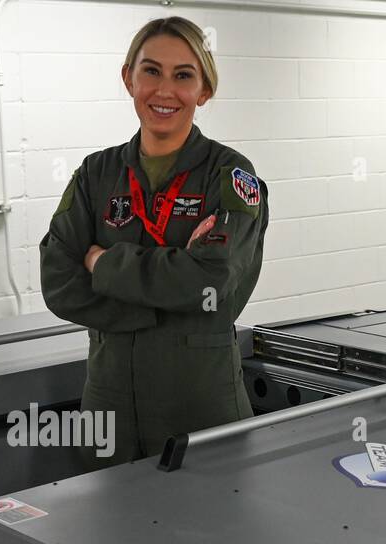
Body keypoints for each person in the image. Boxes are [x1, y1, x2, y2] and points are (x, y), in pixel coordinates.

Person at [40, 16, 269, 468]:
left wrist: (102, 265)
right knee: (103, 534)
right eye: (151, 71)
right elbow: (58, 281)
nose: (164, 90)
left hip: (201, 406)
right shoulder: (95, 175)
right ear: (129, 78)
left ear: (204, 90)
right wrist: (167, 295)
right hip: (109, 407)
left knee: (208, 532)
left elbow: (208, 283)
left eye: (183, 75)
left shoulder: (230, 176)